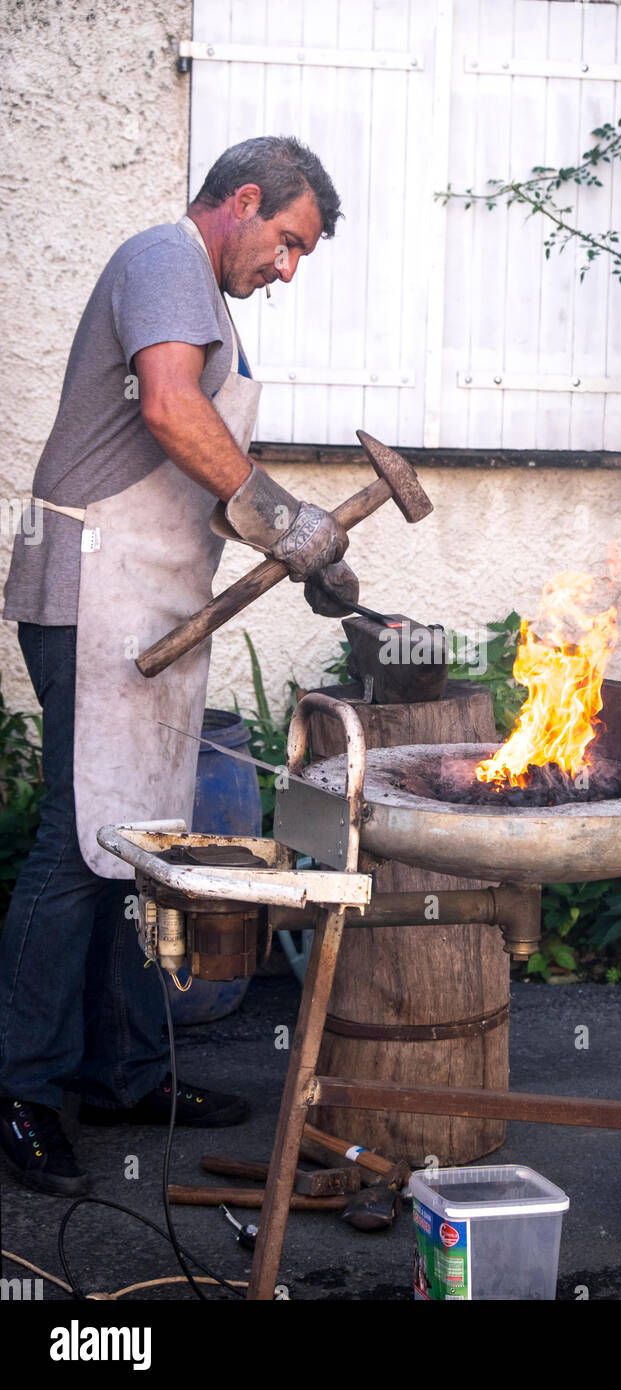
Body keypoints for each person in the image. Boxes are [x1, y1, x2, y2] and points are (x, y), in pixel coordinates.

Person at [0, 136, 359, 1196]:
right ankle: (22, 1090)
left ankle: (123, 1074)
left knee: (138, 844)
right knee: (77, 848)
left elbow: (204, 460)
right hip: (93, 588)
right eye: (287, 241)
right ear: (242, 200)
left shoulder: (214, 306)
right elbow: (168, 408)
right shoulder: (165, 256)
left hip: (154, 599)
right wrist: (278, 517)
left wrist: (293, 546)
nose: (286, 268)